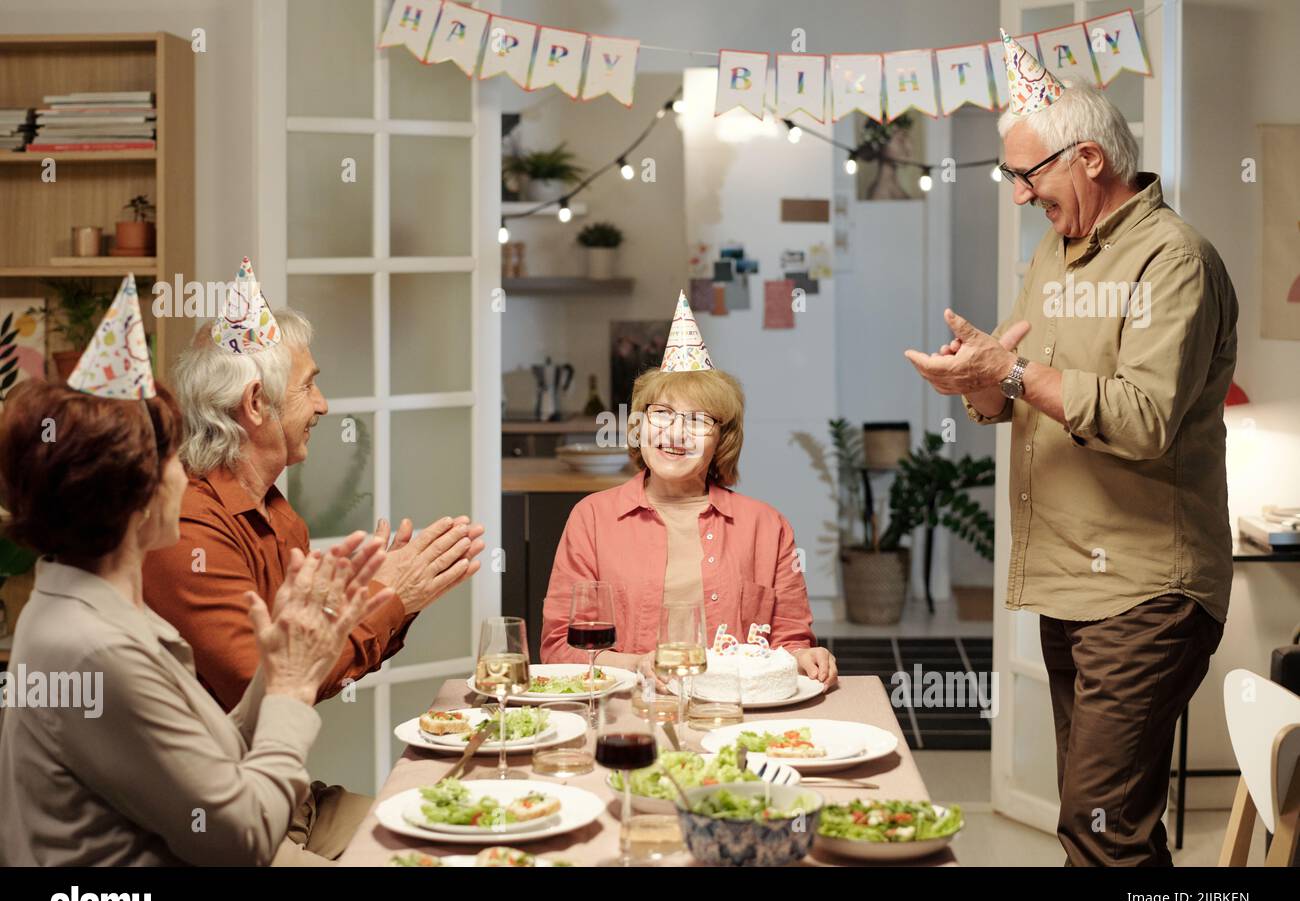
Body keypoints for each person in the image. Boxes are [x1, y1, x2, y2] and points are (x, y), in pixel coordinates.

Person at [904, 34, 1236, 866]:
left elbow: (1143, 416)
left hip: (1145, 588)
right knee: (1108, 826)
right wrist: (976, 386)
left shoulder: (1173, 261)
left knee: (1099, 834)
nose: (1019, 197)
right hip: (1074, 583)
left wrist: (1011, 371)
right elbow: (1028, 388)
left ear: (1089, 157)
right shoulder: (1056, 252)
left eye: (1028, 175)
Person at [0, 279, 388, 865]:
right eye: (169, 459)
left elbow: (214, 752)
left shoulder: (91, 611)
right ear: (132, 496)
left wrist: (281, 664)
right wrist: (288, 686)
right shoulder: (96, 649)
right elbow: (241, 838)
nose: (185, 474)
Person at [141, 258, 486, 861]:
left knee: (466, 835)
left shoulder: (279, 516)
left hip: (291, 798)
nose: (323, 404)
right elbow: (270, 685)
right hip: (225, 825)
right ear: (256, 403)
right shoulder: (190, 527)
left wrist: (380, 600)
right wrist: (386, 599)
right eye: (308, 385)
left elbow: (317, 670)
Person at [541, 292, 837, 687]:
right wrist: (636, 665)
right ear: (640, 426)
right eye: (661, 414)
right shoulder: (592, 518)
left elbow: (789, 640)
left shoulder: (767, 526)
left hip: (735, 712)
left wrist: (804, 655)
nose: (676, 433)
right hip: (628, 714)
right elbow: (559, 648)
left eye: (698, 420)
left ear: (722, 440)